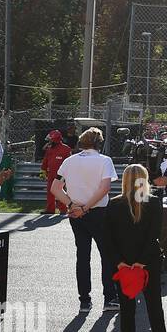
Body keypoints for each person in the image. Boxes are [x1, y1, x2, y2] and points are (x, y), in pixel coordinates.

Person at [104, 164, 167, 332]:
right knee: (153, 303)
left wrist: (120, 263)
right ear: (144, 179)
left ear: (124, 180)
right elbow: (153, 236)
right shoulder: (153, 202)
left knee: (127, 308)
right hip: (148, 261)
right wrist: (141, 261)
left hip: (123, 264)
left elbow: (107, 239)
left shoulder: (114, 204)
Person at [52, 127, 119, 312]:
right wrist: (85, 207)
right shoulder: (105, 160)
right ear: (99, 143)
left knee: (82, 256)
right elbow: (105, 188)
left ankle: (84, 300)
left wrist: (73, 205)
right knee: (107, 255)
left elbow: (55, 188)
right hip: (98, 212)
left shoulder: (69, 161)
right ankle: (110, 298)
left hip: (76, 214)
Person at [40, 130, 72, 214]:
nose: (49, 142)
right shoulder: (49, 149)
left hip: (61, 175)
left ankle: (63, 209)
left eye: (51, 140)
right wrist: (43, 171)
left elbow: (70, 163)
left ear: (55, 139)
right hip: (51, 173)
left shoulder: (66, 149)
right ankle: (50, 209)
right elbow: (45, 161)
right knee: (50, 190)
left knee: (59, 191)